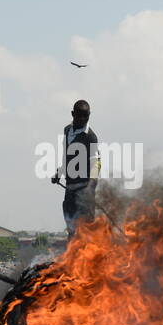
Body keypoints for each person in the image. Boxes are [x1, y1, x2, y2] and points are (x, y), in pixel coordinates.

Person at [52, 99, 100, 235]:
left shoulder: (90, 137)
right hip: (69, 188)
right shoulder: (67, 131)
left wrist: (90, 187)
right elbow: (65, 156)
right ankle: (72, 254)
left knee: (86, 230)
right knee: (71, 228)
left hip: (84, 191)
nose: (83, 119)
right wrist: (59, 173)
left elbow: (96, 163)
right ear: (73, 114)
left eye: (86, 115)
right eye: (80, 115)